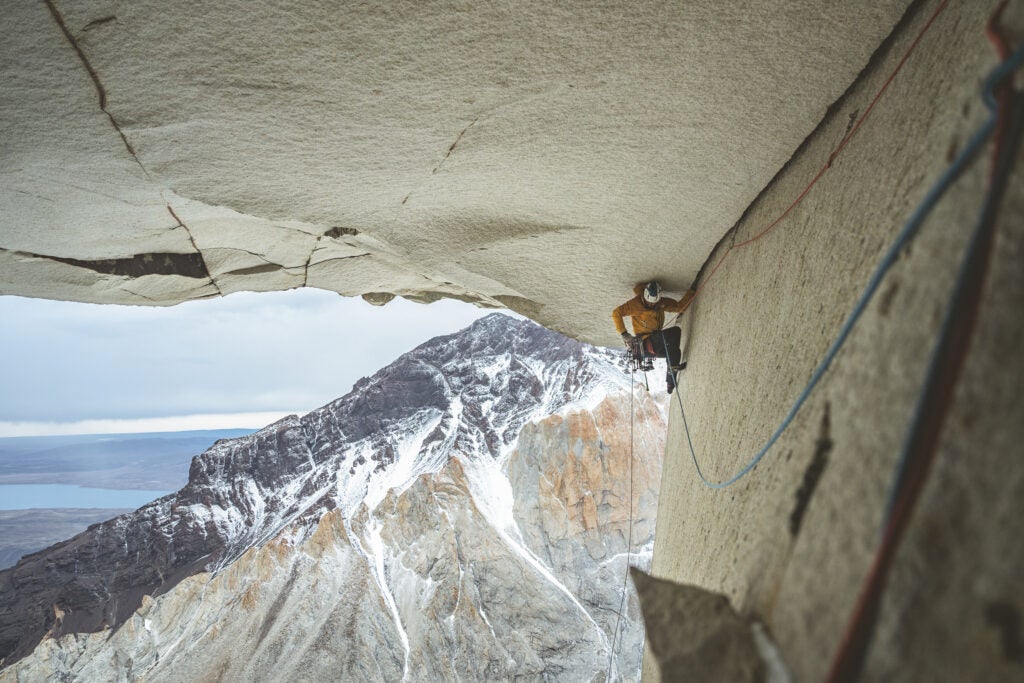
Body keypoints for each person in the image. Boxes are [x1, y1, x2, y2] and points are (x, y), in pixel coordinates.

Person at [612, 281, 695, 393]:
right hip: (645, 342)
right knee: (674, 333)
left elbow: (679, 307)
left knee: (674, 352)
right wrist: (624, 333)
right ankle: (672, 369)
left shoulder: (661, 303)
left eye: (653, 304)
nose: (651, 305)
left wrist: (692, 291)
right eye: (648, 303)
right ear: (644, 296)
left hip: (651, 344)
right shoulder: (636, 304)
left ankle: (670, 384)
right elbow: (616, 313)